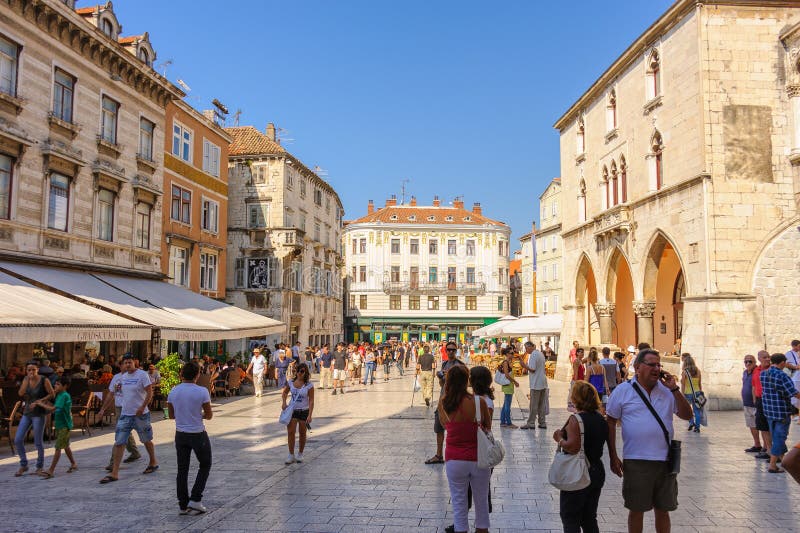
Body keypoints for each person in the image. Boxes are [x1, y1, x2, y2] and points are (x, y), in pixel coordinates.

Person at [606, 349, 693, 533]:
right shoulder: (623, 391)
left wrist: (675, 389)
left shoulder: (668, 391)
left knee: (663, 510)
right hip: (636, 460)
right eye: (651, 364)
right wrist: (613, 456)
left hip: (665, 461)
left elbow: (687, 415)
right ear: (637, 367)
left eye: (658, 364)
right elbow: (611, 421)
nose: (656, 368)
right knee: (636, 509)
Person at [438, 365, 491, 533]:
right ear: (467, 381)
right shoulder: (479, 402)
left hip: (455, 460)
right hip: (479, 459)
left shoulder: (444, 403)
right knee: (481, 504)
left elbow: (444, 426)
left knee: (459, 505)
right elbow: (488, 428)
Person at [555, 381, 609, 533]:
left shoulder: (576, 419)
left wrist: (559, 438)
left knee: (570, 517)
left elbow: (573, 446)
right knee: (589, 517)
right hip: (596, 470)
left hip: (578, 472)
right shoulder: (601, 419)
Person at [97, 354, 158, 483]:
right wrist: (102, 409)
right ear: (122, 364)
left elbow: (149, 392)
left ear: (135, 362)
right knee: (120, 442)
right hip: (125, 414)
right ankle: (114, 472)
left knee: (146, 440)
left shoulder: (142, 375)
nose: (127, 364)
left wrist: (143, 407)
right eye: (125, 362)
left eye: (130, 362)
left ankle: (153, 461)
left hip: (140, 415)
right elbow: (112, 394)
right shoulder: (122, 378)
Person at [168, 361, 213, 515]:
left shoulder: (173, 391)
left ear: (181, 375)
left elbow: (171, 415)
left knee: (182, 469)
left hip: (180, 433)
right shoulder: (202, 391)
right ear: (197, 375)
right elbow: (209, 415)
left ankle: (183, 505)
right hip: (197, 433)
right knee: (205, 464)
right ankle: (195, 498)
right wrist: (198, 414)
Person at [425, 341, 465, 464]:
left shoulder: (460, 366)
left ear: (456, 351)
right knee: (439, 428)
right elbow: (442, 384)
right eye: (449, 350)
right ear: (446, 351)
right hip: (443, 400)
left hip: (454, 401)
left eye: (453, 350)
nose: (451, 352)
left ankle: (456, 454)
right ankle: (439, 455)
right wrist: (441, 378)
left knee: (455, 430)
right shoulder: (445, 364)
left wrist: (451, 377)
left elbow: (464, 384)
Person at [760, 353, 800, 474]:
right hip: (781, 412)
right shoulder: (782, 376)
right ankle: (772, 465)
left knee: (777, 437)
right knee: (779, 438)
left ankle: (784, 462)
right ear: (782, 362)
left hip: (769, 411)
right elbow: (793, 392)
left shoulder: (763, 374)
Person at [14, 360, 54, 476]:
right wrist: (27, 381)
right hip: (27, 412)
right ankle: (24, 464)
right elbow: (21, 394)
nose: (31, 372)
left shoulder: (44, 380)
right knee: (18, 439)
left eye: (33, 370)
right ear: (26, 371)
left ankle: (39, 466)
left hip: (39, 413)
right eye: (29, 370)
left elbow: (52, 394)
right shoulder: (26, 379)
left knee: (38, 442)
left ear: (38, 370)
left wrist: (40, 401)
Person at [32, 376, 77, 478]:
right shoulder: (60, 394)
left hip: (65, 425)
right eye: (55, 384)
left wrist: (41, 404)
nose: (55, 386)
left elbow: (53, 409)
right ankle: (73, 463)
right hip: (61, 424)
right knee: (65, 445)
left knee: (58, 447)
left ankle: (51, 470)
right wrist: (42, 401)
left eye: (58, 384)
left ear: (65, 386)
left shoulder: (64, 396)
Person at [281, 363, 314, 464]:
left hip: (304, 410)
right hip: (293, 410)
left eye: (302, 371)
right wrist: (284, 403)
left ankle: (300, 453)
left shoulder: (309, 385)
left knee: (302, 433)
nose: (300, 373)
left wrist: (310, 415)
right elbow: (285, 392)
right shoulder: (291, 382)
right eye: (298, 371)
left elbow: (311, 400)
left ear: (306, 373)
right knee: (291, 432)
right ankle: (291, 454)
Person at [518, 342, 548, 430]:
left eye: (526, 348)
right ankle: (542, 422)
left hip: (536, 383)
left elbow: (533, 369)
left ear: (531, 347)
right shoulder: (540, 353)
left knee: (533, 405)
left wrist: (524, 365)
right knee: (541, 404)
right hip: (543, 382)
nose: (526, 350)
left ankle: (531, 423)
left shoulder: (533, 355)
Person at [741, 354, 764, 453]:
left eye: (750, 361)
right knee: (752, 425)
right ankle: (757, 444)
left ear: (755, 362)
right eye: (746, 361)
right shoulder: (745, 372)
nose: (748, 363)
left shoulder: (758, 372)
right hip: (747, 403)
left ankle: (766, 447)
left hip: (755, 403)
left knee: (762, 426)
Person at [752, 350, 773, 460]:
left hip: (770, 400)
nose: (767, 359)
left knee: (771, 426)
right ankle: (767, 449)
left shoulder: (772, 370)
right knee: (762, 426)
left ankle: (773, 452)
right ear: (759, 358)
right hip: (760, 401)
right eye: (764, 357)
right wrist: (755, 400)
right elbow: (754, 386)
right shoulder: (757, 370)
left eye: (768, 357)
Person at [680, 354, 703, 433]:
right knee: (697, 411)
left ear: (685, 363)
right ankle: (697, 427)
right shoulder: (698, 371)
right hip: (697, 393)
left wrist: (682, 395)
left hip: (688, 393)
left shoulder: (685, 372)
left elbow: (683, 385)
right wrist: (700, 393)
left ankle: (691, 423)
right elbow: (700, 384)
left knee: (688, 410)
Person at [497, 347, 520, 429]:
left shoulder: (509, 361)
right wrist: (515, 382)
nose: (513, 354)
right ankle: (509, 423)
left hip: (509, 385)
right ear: (507, 354)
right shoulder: (505, 362)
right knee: (507, 405)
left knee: (505, 404)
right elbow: (507, 375)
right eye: (511, 353)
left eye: (513, 353)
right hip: (508, 385)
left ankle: (503, 422)